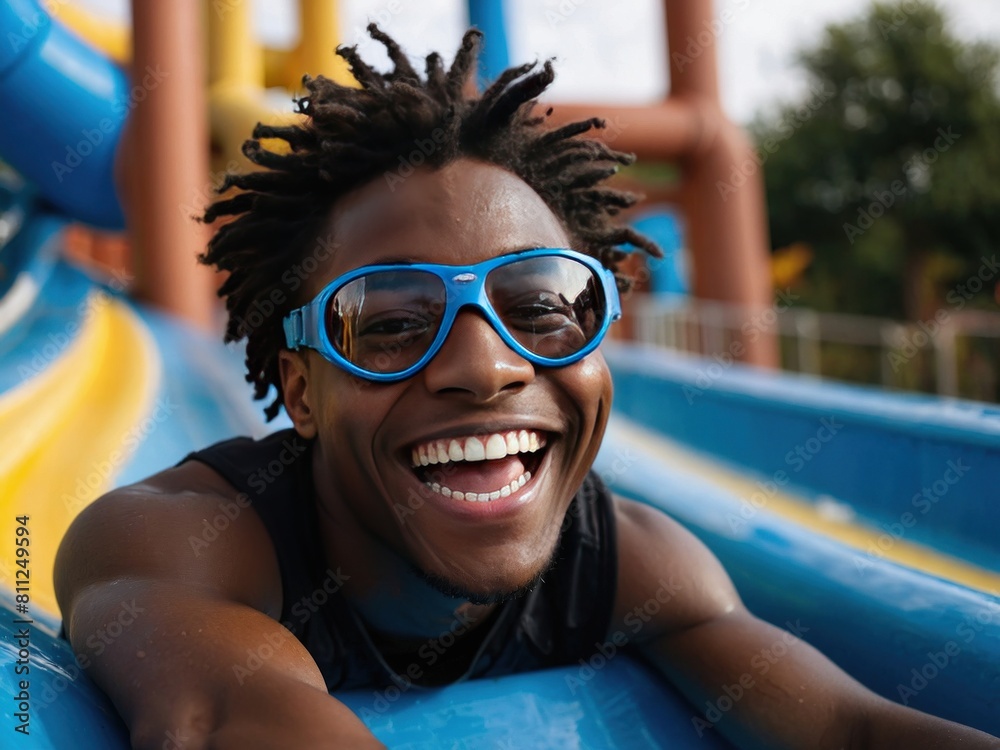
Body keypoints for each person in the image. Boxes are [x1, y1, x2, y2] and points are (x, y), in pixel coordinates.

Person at [54, 26, 999, 750]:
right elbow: (224, 715)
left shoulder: (628, 562)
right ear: (301, 391)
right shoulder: (183, 542)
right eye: (389, 322)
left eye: (543, 306)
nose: (486, 365)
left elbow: (849, 731)